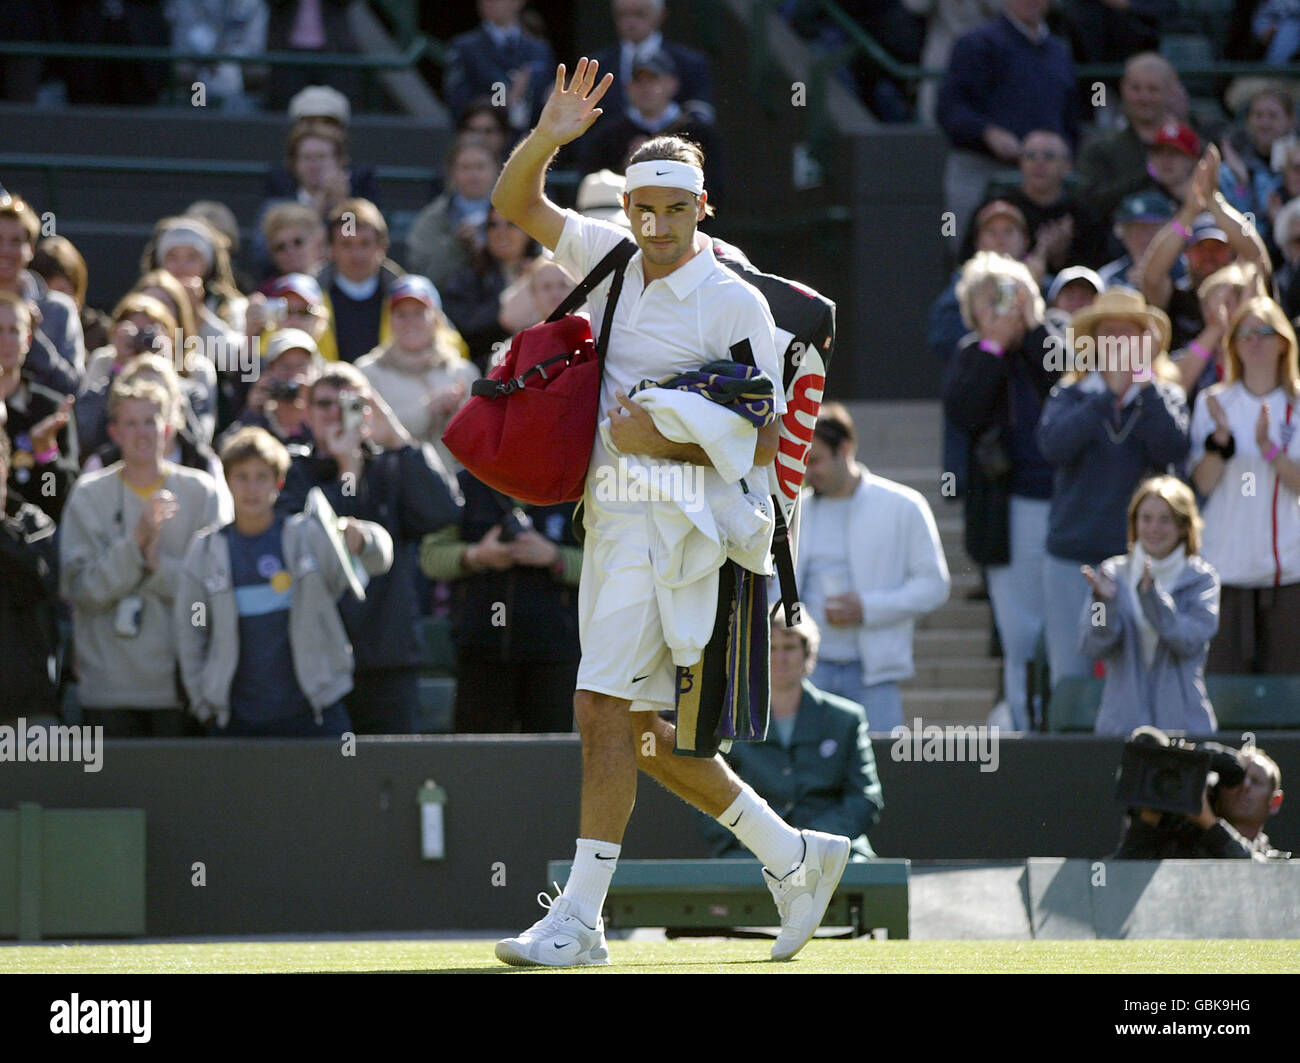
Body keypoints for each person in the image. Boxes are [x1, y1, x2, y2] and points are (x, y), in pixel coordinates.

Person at [490, 59, 847, 967]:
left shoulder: (732, 299)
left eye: (673, 210)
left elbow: (768, 440)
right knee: (643, 734)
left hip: (685, 535)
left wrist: (667, 441)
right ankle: (794, 855)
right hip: (613, 525)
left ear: (702, 210)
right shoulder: (608, 256)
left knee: (600, 706)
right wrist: (548, 136)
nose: (654, 226)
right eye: (641, 209)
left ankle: (579, 919)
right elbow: (516, 204)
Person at [275, 363, 461, 734]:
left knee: (391, 774)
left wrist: (399, 437)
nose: (336, 414)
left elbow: (444, 512)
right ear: (307, 414)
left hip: (387, 656)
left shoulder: (395, 465)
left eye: (352, 403)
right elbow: (309, 538)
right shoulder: (292, 467)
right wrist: (346, 468)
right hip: (319, 656)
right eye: (325, 404)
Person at [176, 427, 392, 738]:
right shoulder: (205, 550)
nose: (252, 488)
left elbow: (380, 558)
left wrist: (364, 539)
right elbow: (190, 634)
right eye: (242, 476)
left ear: (278, 483)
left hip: (314, 714)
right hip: (235, 722)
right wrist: (204, 702)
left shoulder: (308, 536)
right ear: (227, 482)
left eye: (262, 476)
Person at [1036, 288, 1190, 691]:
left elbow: (1173, 447)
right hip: (1074, 558)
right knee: (1071, 677)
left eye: (1130, 334)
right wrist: (1108, 395)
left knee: (1141, 675)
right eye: (1109, 334)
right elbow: (1053, 447)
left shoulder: (1163, 396)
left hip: (1144, 564)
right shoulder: (1070, 394)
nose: (1119, 343)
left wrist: (1142, 385)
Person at [60, 378, 221, 737]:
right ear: (114, 432)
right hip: (109, 692)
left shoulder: (201, 493)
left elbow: (216, 591)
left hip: (181, 690)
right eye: (131, 423)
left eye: (150, 421)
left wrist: (157, 568)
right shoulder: (88, 496)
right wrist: (135, 545)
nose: (142, 433)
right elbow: (80, 590)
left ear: (168, 428)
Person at [943, 251, 1062, 729]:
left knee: (1067, 626)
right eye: (990, 302)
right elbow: (965, 412)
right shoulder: (972, 355)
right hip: (1010, 510)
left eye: (1011, 297)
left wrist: (1030, 327)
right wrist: (993, 343)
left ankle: (1066, 718)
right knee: (1020, 633)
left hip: (1066, 505)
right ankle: (1023, 721)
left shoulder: (1048, 342)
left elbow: (1063, 378)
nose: (1003, 308)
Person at [795, 404, 951, 732]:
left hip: (874, 674)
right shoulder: (796, 511)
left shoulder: (904, 506)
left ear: (846, 449)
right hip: (807, 672)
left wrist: (867, 608)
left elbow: (934, 585)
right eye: (803, 462)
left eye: (815, 460)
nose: (808, 473)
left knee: (881, 773)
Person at [697, 611, 883, 861]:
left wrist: (808, 841)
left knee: (864, 876)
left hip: (832, 851)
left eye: (789, 647)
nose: (780, 657)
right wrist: (765, 840)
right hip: (750, 853)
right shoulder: (729, 721)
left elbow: (865, 798)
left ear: (808, 654)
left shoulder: (846, 719)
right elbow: (707, 796)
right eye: (770, 648)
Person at [419, 466, 583, 733]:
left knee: (547, 762)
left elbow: (608, 567)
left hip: (554, 654)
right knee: (479, 764)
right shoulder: (464, 484)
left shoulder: (574, 487)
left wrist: (556, 557)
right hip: (481, 652)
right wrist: (477, 556)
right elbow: (430, 558)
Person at [1189, 296, 1300, 674]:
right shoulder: (1212, 402)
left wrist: (1270, 451)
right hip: (1225, 570)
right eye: (1245, 333)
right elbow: (1202, 482)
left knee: (1285, 700)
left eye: (1264, 332)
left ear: (1284, 341)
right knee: (1225, 696)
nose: (1254, 341)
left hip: (1287, 572)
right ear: (1233, 343)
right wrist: (1220, 442)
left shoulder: (1296, 405)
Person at [935, 0, 1079, 253]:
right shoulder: (975, 43)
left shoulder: (1060, 51)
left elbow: (1071, 120)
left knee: (1053, 254)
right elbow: (949, 110)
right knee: (970, 256)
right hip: (981, 170)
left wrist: (1061, 159)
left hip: (1043, 182)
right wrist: (986, 132)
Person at [1080, 476, 1218, 735]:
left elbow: (1187, 640)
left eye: (1165, 519)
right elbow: (1093, 645)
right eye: (1146, 518)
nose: (1154, 528)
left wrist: (1151, 599)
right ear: (1134, 523)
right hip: (1121, 728)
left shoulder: (1202, 578)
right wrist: (1104, 605)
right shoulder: (1112, 572)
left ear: (1183, 526)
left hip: (1184, 730)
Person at [1138, 146, 1271, 351]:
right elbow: (1151, 278)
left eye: (1217, 248)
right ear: (1186, 253)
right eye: (1201, 248)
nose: (1209, 255)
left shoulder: (1244, 293)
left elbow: (1258, 258)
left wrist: (1214, 202)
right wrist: (1188, 212)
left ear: (1231, 253)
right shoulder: (1178, 298)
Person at [355, 275, 478, 473]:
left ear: (436, 319)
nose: (409, 322)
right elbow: (366, 436)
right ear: (390, 320)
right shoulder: (367, 372)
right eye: (401, 314)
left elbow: (480, 439)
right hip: (394, 485)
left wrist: (458, 411)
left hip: (461, 486)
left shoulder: (462, 371)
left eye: (419, 313)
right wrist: (428, 410)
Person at [1112, 732, 1289, 859]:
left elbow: (1261, 875)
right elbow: (1119, 881)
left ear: (1274, 801)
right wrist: (1148, 822)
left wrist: (1209, 823)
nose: (1245, 787)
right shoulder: (1181, 841)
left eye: (1256, 781)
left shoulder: (1277, 862)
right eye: (1237, 781)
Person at [579, 50, 721, 197]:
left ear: (673, 84)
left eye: (653, 79)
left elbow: (714, 189)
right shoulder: (607, 136)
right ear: (628, 87)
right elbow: (589, 189)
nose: (646, 88)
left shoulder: (698, 133)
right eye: (638, 80)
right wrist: (628, 169)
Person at [1076, 53, 1182, 246]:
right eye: (1136, 88)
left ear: (1170, 92)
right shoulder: (1100, 147)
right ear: (1123, 88)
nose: (1144, 97)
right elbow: (1088, 207)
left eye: (1153, 89)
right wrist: (1149, 175)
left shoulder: (1188, 145)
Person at [0, 291, 77, 525]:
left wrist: (46, 457)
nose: (6, 340)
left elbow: (57, 500)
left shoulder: (49, 409)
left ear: (29, 339)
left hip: (30, 546)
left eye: (14, 331)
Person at [0, 427, 60, 722]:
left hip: (28, 708)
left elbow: (40, 587)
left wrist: (1, 528)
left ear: (5, 466)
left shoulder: (32, 523)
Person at [0, 193, 83, 396]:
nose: (5, 250)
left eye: (15, 241)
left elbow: (73, 387)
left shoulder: (58, 310)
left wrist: (32, 338)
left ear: (31, 250)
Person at [441, 209, 540, 372]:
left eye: (511, 224)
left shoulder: (549, 270)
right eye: (493, 225)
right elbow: (460, 328)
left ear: (529, 231)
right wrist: (501, 312)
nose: (501, 232)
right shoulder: (469, 277)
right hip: (488, 370)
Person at [591, 0, 715, 123]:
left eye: (640, 14)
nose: (631, 22)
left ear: (661, 14)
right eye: (622, 14)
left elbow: (700, 116)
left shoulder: (690, 63)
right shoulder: (596, 65)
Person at [405, 136, 502, 290]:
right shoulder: (432, 218)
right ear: (452, 172)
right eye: (465, 167)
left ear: (497, 169)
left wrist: (486, 251)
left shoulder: (516, 213)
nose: (473, 174)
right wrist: (457, 244)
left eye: (480, 167)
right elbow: (421, 277)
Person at [316, 198, 405, 364]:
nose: (356, 254)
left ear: (382, 247)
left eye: (365, 243)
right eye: (347, 244)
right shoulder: (307, 296)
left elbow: (449, 344)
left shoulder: (410, 295)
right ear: (331, 249)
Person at [442, 0, 555, 129]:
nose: (490, 3)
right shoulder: (464, 48)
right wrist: (505, 102)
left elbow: (547, 95)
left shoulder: (539, 49)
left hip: (534, 137)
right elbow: (458, 104)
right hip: (486, 140)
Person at [221, 327, 319, 449]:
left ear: (315, 372)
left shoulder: (326, 412)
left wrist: (314, 407)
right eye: (285, 366)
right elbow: (226, 449)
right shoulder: (260, 418)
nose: (293, 374)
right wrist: (252, 412)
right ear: (269, 372)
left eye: (301, 365)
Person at [30, 235, 111, 353]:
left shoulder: (100, 333)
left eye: (60, 293)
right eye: (44, 294)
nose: (53, 303)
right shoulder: (17, 331)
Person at [1097, 189, 1177, 289]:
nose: (1145, 237)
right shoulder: (1107, 278)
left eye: (1153, 228)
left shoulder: (1186, 271)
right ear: (1123, 233)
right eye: (1137, 229)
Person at [259, 203, 328, 291]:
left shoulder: (338, 282)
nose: (290, 251)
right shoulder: (268, 293)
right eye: (281, 247)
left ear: (318, 242)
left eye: (298, 242)